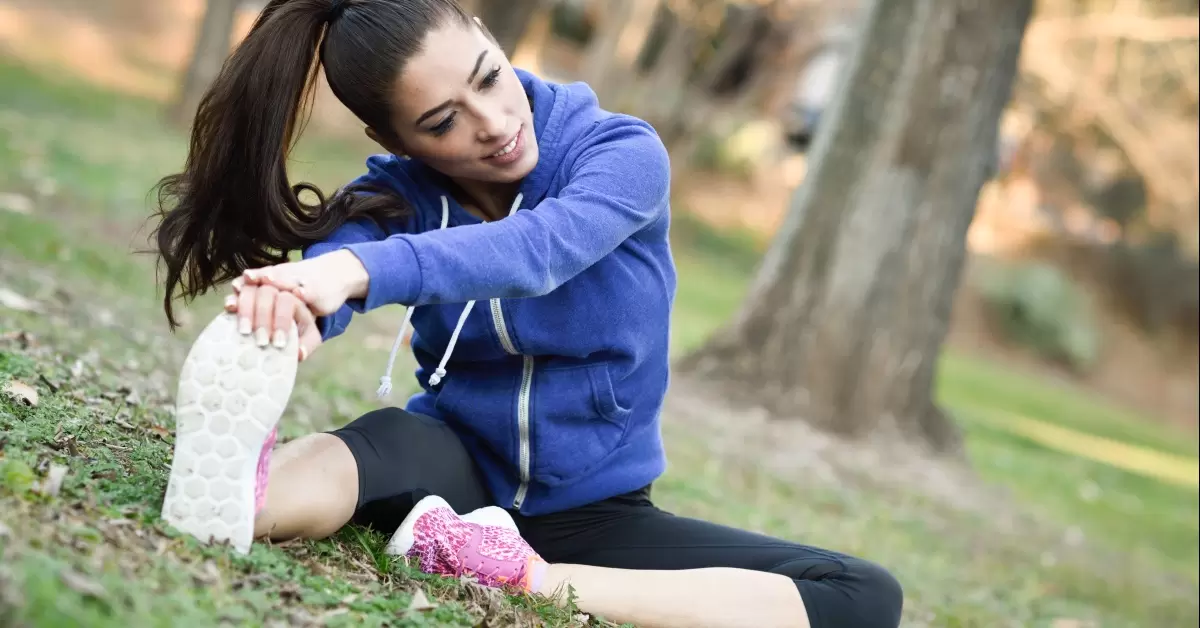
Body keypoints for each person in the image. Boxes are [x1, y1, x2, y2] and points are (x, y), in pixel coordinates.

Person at [152, 1, 904, 626]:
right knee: (363, 450)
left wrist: (356, 272)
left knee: (864, 596)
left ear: (487, 32)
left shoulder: (619, 155)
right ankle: (235, 491)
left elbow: (535, 250)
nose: (492, 122)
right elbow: (343, 267)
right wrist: (291, 311)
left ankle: (517, 574)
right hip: (452, 463)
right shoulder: (399, 195)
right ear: (394, 139)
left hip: (595, 511)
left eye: (490, 77)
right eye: (444, 120)